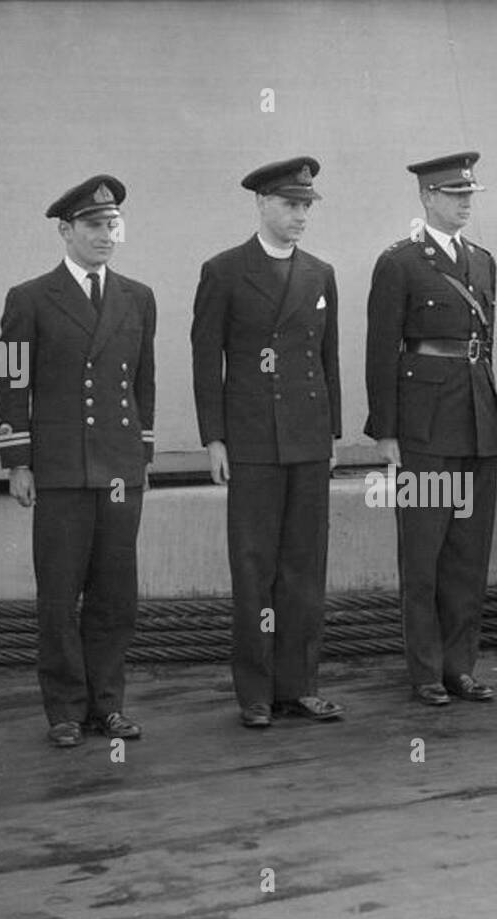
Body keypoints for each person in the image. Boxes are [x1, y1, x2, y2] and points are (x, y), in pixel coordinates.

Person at [0, 175, 155, 747]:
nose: (106, 234)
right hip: (59, 468)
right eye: (93, 225)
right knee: (59, 595)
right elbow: (12, 383)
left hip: (118, 469)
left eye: (112, 224)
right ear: (65, 231)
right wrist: (18, 461)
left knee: (115, 593)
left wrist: (143, 455)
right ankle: (64, 709)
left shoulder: (136, 296)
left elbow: (144, 381)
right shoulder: (31, 297)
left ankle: (106, 705)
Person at [191, 157, 343, 729]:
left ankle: (299, 685)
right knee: (254, 569)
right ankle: (255, 692)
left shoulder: (320, 273)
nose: (299, 215)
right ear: (260, 203)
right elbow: (208, 361)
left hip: (305, 440)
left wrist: (330, 436)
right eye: (289, 204)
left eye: (306, 205)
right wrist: (215, 438)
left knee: (305, 566)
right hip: (252, 441)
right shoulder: (225, 271)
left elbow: (327, 361)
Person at [365, 152, 497, 706]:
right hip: (423, 431)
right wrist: (387, 432)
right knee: (423, 556)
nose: (464, 202)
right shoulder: (399, 263)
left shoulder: (484, 261)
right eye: (453, 194)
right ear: (426, 197)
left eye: (469, 194)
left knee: (468, 557)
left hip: (475, 424)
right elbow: (381, 350)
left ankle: (459, 666)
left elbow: (486, 349)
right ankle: (425, 670)